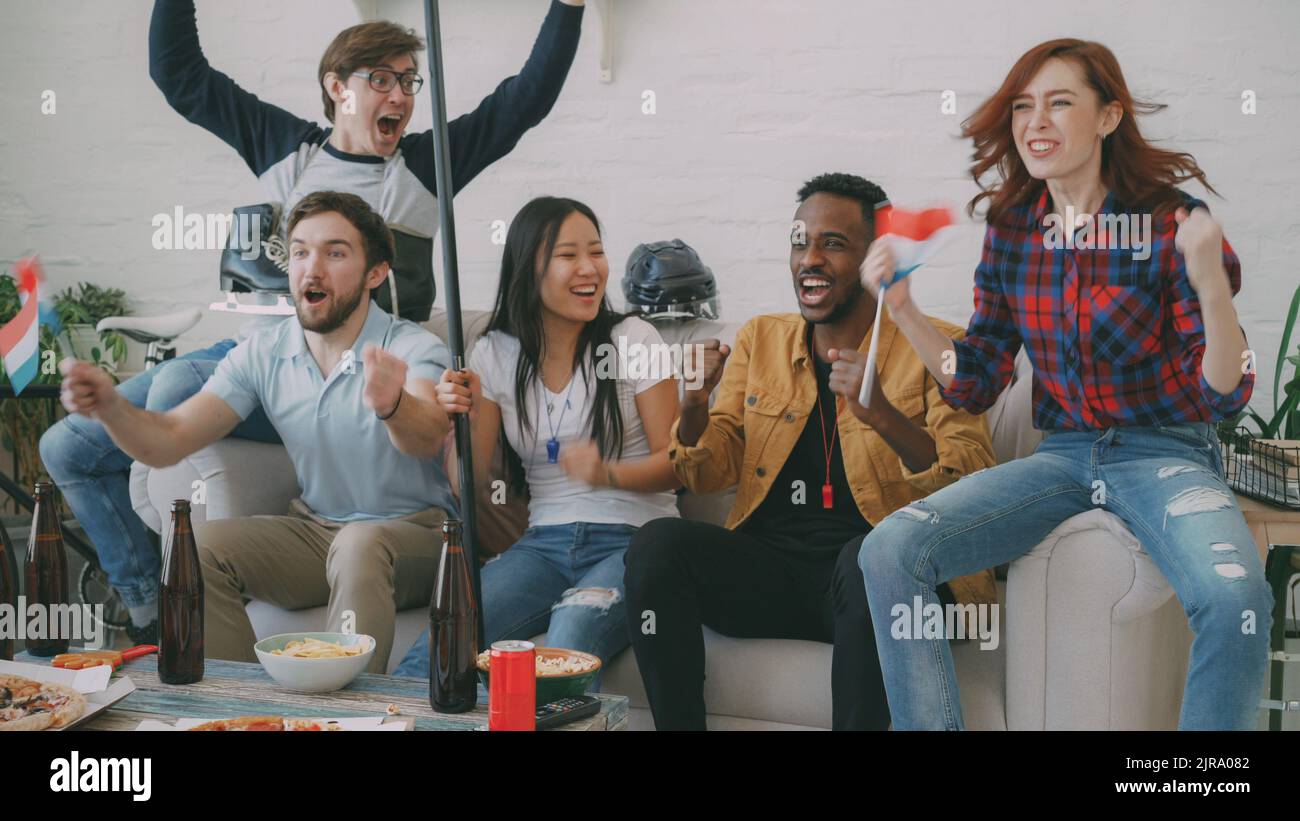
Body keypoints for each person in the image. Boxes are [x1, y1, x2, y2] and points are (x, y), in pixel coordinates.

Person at [39, 0, 587, 645]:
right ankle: (146, 607)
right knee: (65, 447)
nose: (401, 95)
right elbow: (182, 77)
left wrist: (569, 7)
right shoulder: (284, 150)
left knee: (169, 389)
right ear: (337, 87)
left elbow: (524, 100)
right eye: (381, 79)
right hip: (262, 354)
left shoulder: (426, 166)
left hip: (357, 366)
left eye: (410, 81)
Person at [857, 39, 1273, 731]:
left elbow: (1224, 393)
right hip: (1064, 453)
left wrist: (1211, 288)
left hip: (1164, 450)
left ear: (1109, 117)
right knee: (891, 548)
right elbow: (977, 379)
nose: (1034, 123)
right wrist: (903, 311)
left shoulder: (1172, 219)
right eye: (1023, 107)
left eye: (1059, 103)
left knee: (1236, 600)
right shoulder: (1014, 230)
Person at [622, 173, 998, 730]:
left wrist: (884, 417)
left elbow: (974, 487)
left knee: (866, 555)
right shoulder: (761, 340)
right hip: (775, 573)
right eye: (800, 242)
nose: (809, 259)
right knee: (657, 545)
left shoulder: (937, 348)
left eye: (833, 244)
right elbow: (709, 471)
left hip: (892, 584)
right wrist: (695, 405)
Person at [59, 191, 458, 674]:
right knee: (195, 549)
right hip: (319, 530)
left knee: (360, 544)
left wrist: (393, 404)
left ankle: (352, 721)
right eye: (299, 252)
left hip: (418, 534)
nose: (312, 268)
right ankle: (242, 710)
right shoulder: (263, 352)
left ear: (375, 272)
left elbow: (428, 436)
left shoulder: (411, 345)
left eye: (335, 252)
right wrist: (111, 407)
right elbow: (168, 440)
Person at [392, 197, 682, 684]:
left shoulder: (633, 338)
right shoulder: (494, 354)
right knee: (435, 654)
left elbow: (679, 464)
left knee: (568, 640)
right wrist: (459, 414)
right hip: (541, 547)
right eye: (569, 255)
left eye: (596, 251)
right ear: (529, 270)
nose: (590, 268)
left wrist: (605, 472)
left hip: (633, 540)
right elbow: (469, 486)